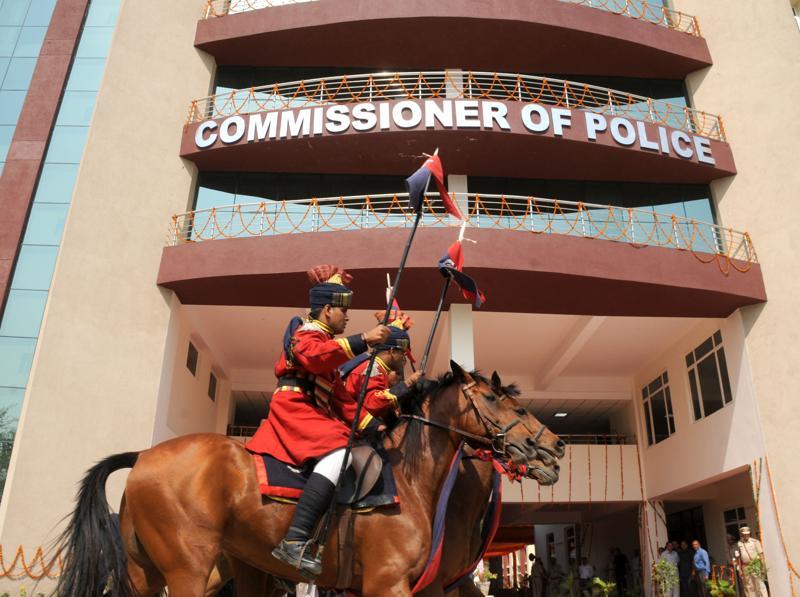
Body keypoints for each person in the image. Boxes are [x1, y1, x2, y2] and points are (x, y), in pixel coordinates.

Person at [246, 265, 390, 578]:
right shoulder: (306, 334)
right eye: (343, 311)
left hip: (312, 412)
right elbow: (316, 356)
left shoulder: (326, 344)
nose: (347, 317)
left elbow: (342, 402)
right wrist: (364, 338)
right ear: (326, 310)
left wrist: (376, 427)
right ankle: (295, 539)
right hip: (295, 409)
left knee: (351, 445)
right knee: (341, 453)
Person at [339, 313, 420, 433]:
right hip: (350, 432)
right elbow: (372, 403)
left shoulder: (377, 368)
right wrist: (408, 383)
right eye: (402, 353)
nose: (404, 359)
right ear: (392, 352)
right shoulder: (373, 369)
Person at [734, 527, 768, 597]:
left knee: (759, 584)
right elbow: (738, 557)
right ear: (741, 534)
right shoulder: (739, 544)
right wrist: (740, 569)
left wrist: (763, 567)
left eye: (747, 534)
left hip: (755, 565)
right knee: (749, 586)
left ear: (749, 533)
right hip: (745, 567)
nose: (746, 535)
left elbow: (761, 555)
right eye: (744, 534)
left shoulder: (755, 542)